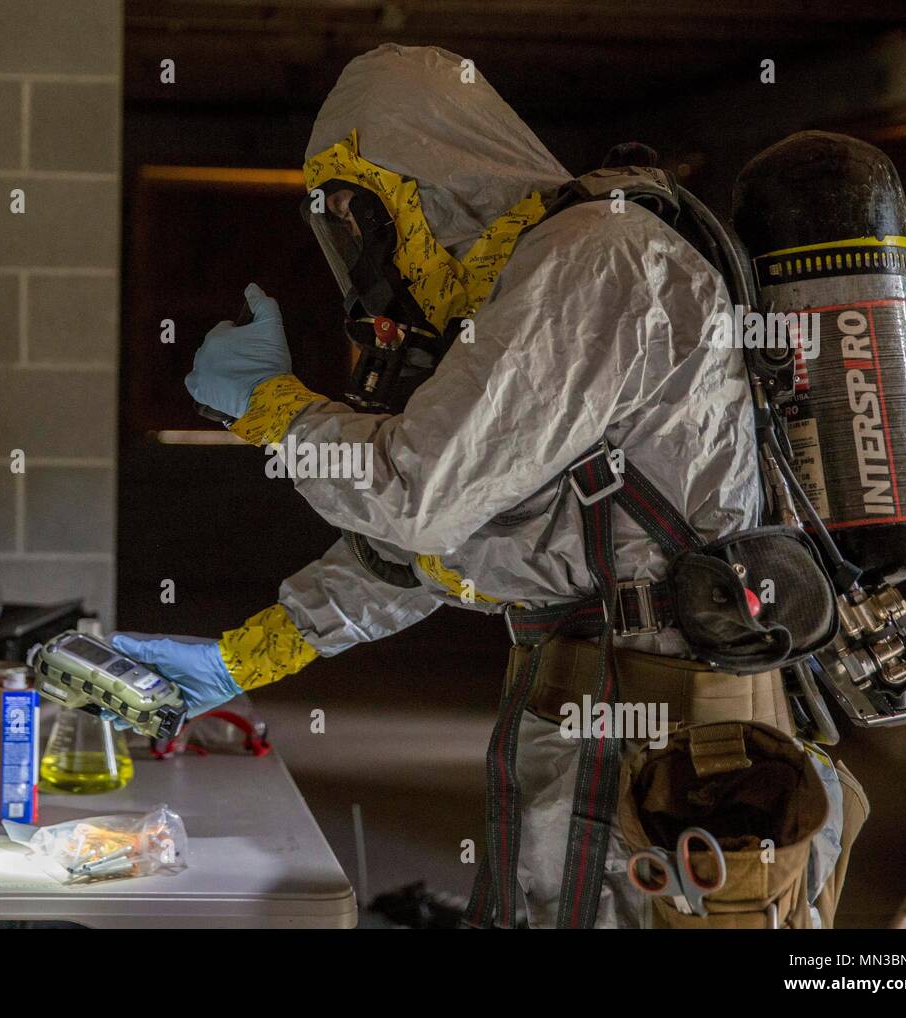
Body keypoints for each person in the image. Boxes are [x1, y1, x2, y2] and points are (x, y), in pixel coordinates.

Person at [110, 44, 851, 929]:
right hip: (596, 709)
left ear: (423, 180)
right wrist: (242, 659)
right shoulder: (527, 292)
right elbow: (434, 549)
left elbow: (422, 496)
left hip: (678, 741)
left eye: (359, 210)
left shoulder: (599, 260)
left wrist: (275, 410)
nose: (352, 246)